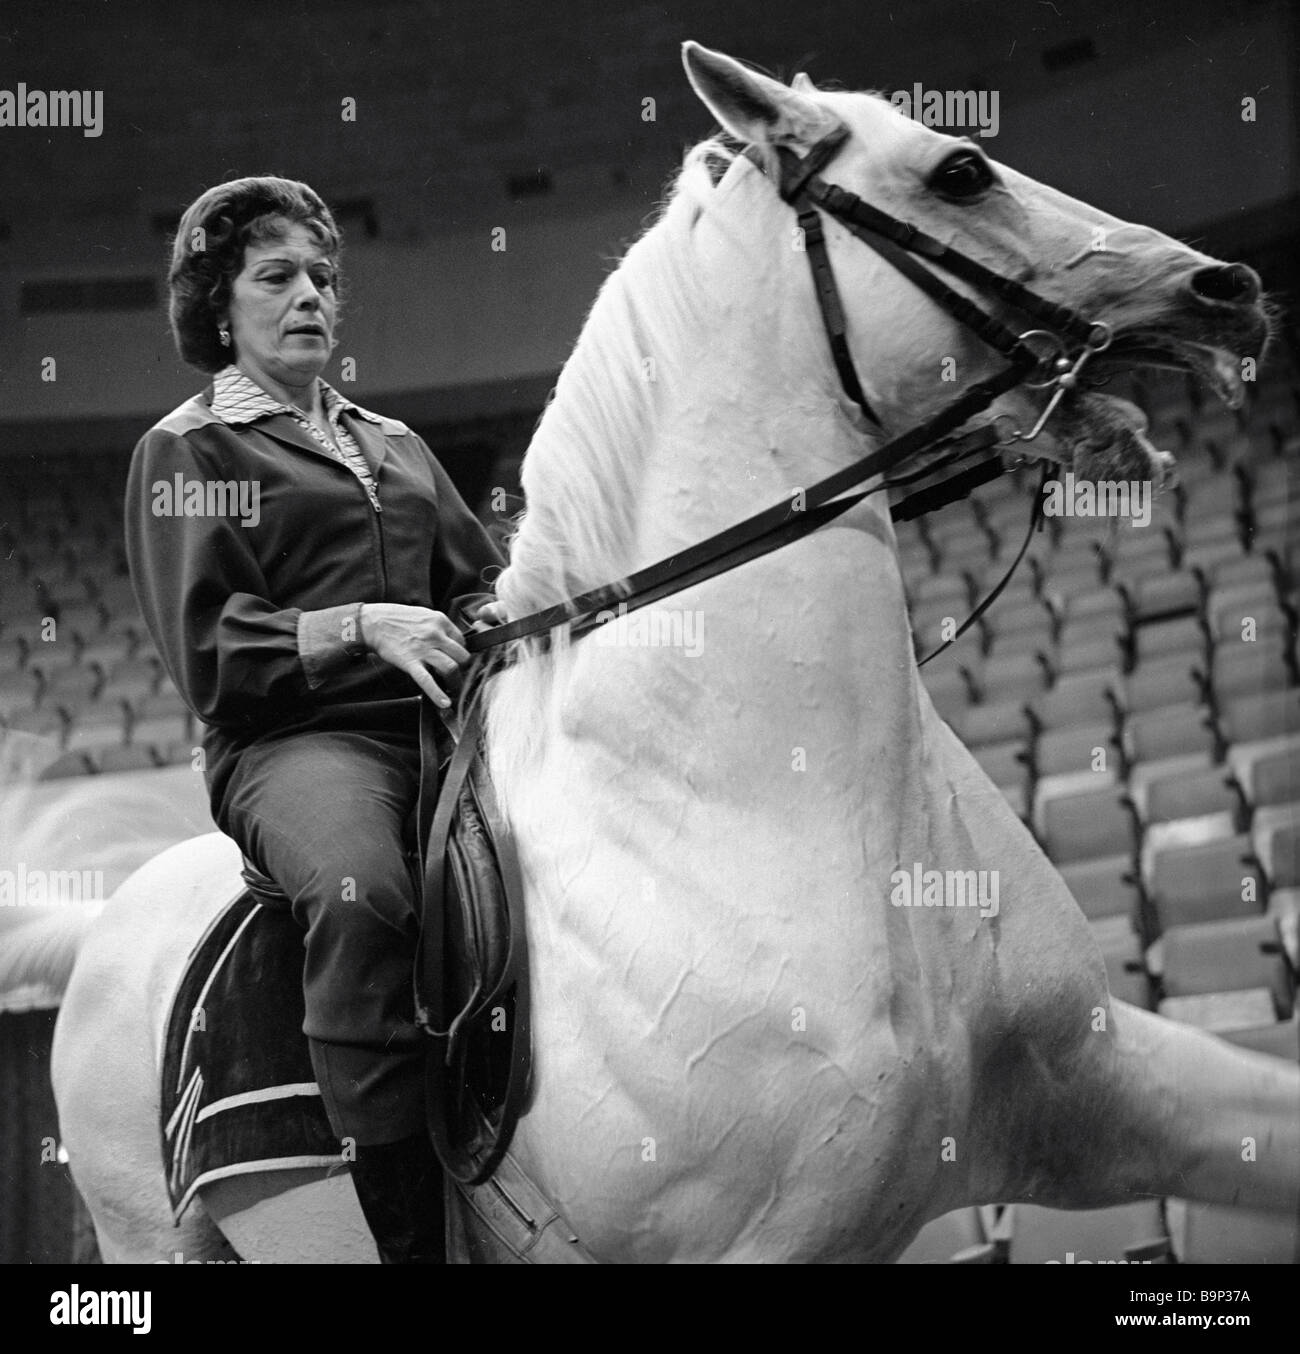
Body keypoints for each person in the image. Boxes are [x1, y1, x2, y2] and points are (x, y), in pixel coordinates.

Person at [125, 176, 505, 1263]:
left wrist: (493, 610)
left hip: (445, 721)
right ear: (219, 302)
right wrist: (358, 624)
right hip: (295, 740)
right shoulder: (188, 451)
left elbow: (473, 582)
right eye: (277, 275)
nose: (310, 297)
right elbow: (210, 655)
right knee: (366, 891)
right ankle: (402, 1230)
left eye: (324, 278)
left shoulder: (394, 442)